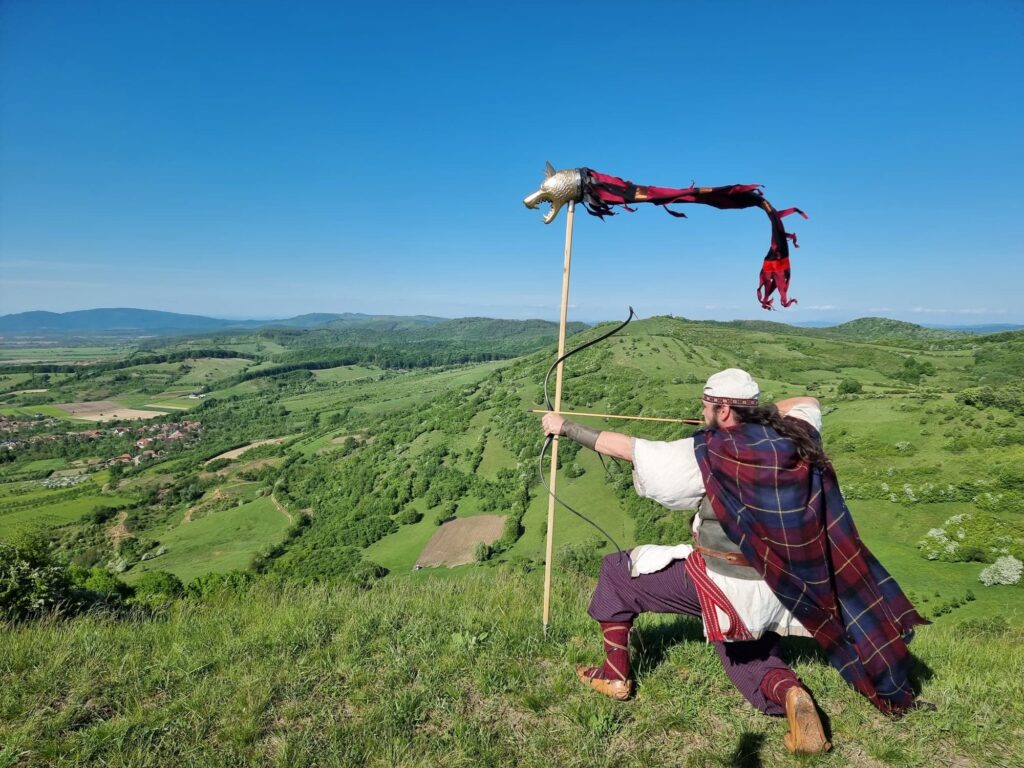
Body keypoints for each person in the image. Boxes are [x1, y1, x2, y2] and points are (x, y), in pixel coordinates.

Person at [542, 368, 928, 754]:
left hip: (728, 582)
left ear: (724, 409)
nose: (701, 411)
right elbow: (808, 402)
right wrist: (752, 417)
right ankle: (792, 695)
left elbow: (628, 447)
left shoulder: (709, 452)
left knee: (617, 572)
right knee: (748, 653)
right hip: (785, 584)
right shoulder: (796, 435)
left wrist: (565, 426)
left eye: (707, 405)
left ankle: (613, 676)